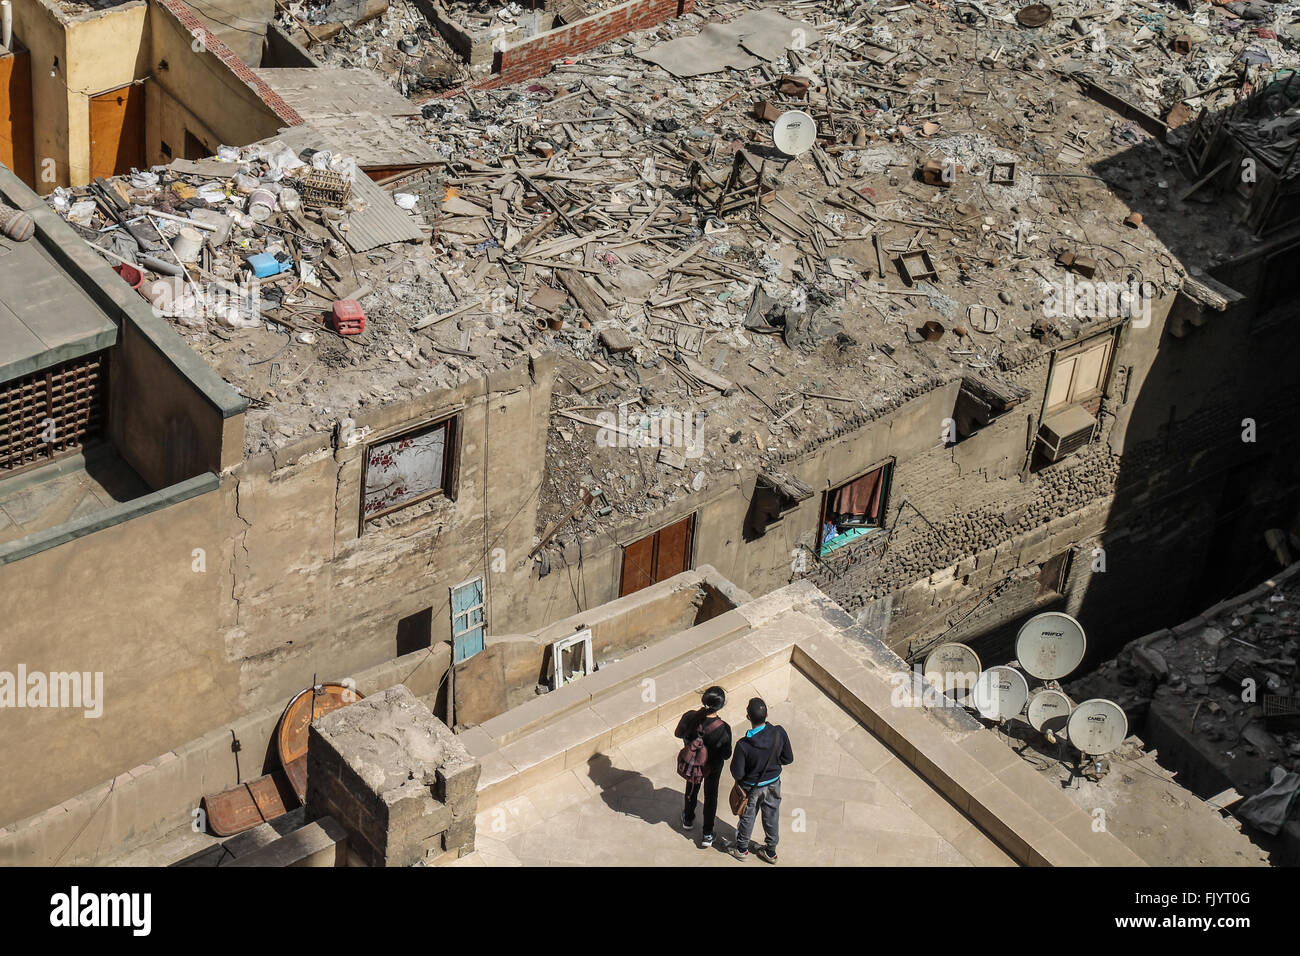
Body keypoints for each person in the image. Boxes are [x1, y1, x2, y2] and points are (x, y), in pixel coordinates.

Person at [728, 697, 793, 864]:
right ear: (767, 715)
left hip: (751, 789)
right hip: (774, 783)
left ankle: (742, 849)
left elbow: (737, 773)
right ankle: (770, 851)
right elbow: (788, 758)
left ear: (748, 717)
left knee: (748, 817)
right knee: (772, 815)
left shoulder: (743, 745)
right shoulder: (779, 732)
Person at [673, 686, 732, 848]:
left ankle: (688, 818)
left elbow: (678, 734)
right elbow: (727, 754)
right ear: (720, 705)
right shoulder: (723, 729)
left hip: (694, 764)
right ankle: (707, 833)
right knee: (710, 796)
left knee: (692, 788)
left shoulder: (690, 717)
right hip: (712, 767)